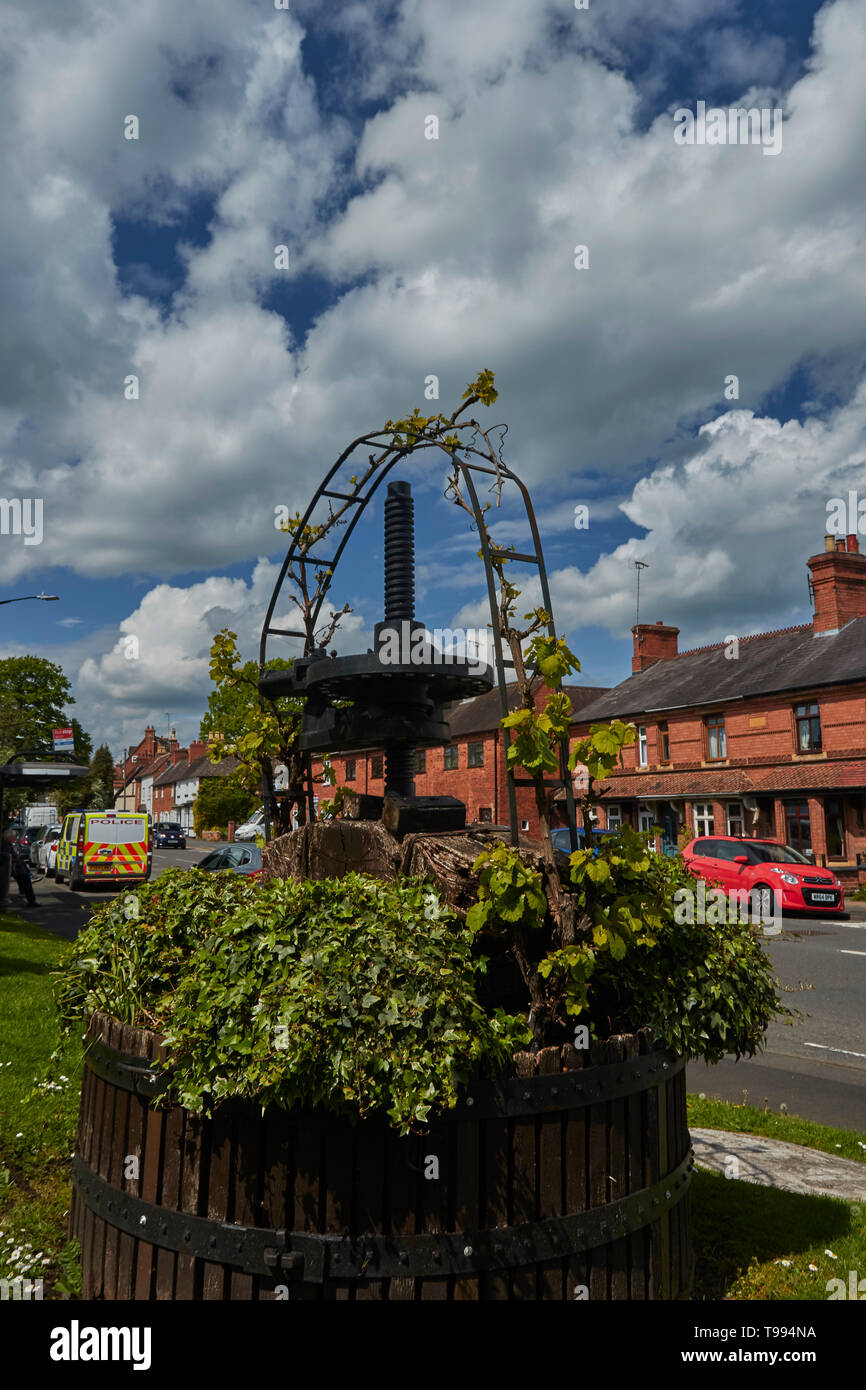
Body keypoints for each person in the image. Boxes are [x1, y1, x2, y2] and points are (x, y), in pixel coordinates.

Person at [3, 828, 36, 907]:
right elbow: (9, 857)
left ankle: (28, 897)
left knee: (24, 879)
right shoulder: (6, 845)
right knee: (25, 879)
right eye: (13, 838)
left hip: (14, 867)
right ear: (9, 837)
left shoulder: (8, 844)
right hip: (13, 868)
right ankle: (30, 900)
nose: (14, 839)